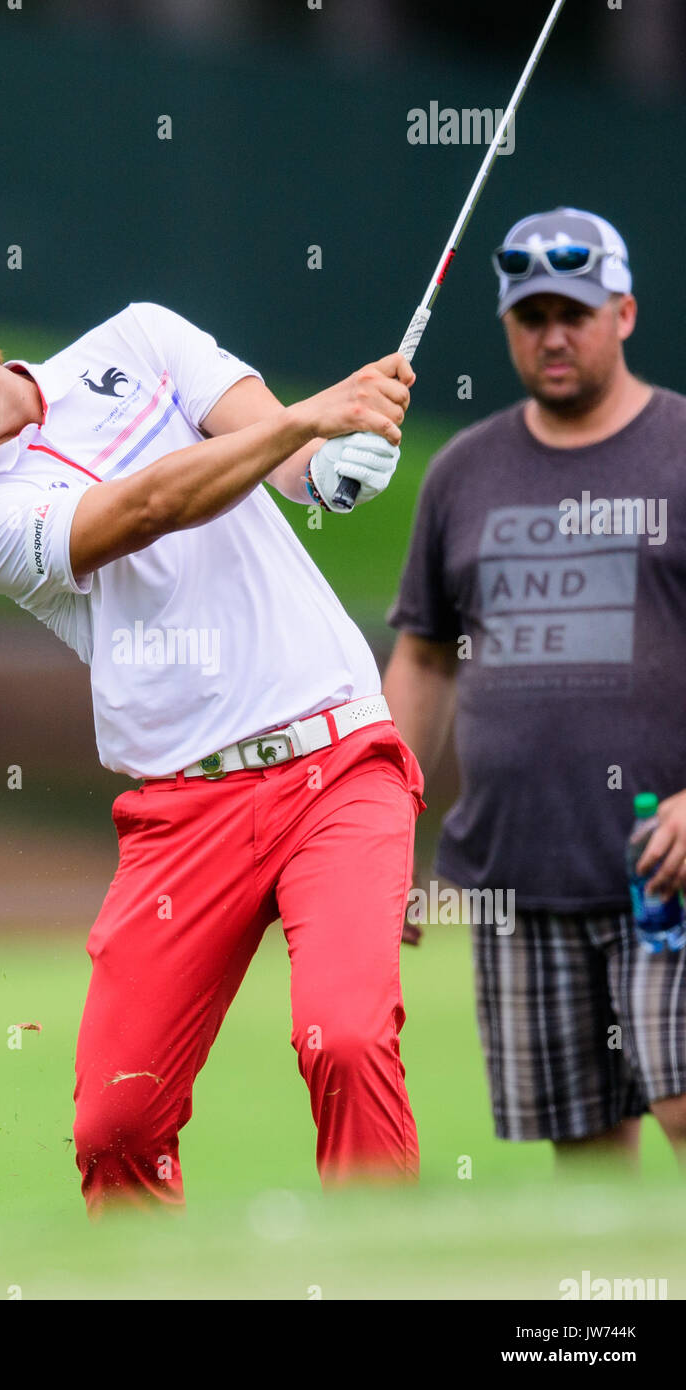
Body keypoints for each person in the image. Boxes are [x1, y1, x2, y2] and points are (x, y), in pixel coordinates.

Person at [0, 276, 425, 1217]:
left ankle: (392, 1277)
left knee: (343, 1037)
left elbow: (287, 462)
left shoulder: (142, 340)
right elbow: (146, 511)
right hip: (184, 814)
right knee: (115, 1128)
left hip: (337, 757)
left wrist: (333, 463)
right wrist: (308, 422)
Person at [383, 208, 686, 1171]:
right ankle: (596, 1325)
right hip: (517, 872)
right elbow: (425, 658)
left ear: (625, 313)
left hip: (664, 859)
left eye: (575, 312)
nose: (553, 334)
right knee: (586, 1157)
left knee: (682, 1105)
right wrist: (384, 830)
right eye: (531, 315)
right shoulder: (464, 468)